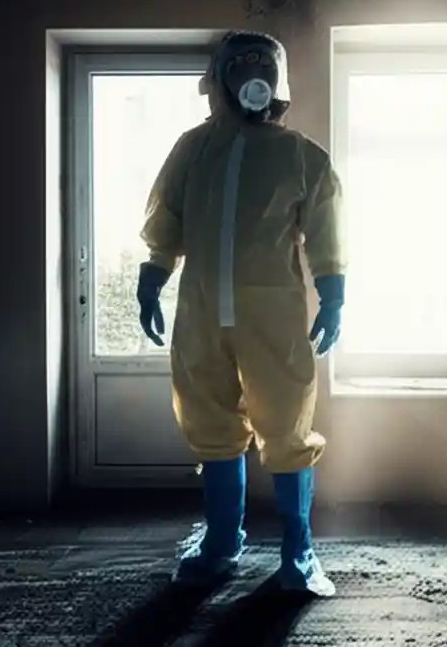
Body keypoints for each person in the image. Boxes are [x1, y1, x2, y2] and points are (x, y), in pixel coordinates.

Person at [136, 30, 344, 597]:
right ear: (221, 82)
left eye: (260, 71)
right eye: (240, 71)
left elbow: (326, 229)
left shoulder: (301, 156)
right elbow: (168, 219)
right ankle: (222, 542)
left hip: (273, 316)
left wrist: (334, 288)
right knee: (211, 423)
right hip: (203, 313)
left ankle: (298, 552)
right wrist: (153, 275)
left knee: (287, 425)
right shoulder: (193, 149)